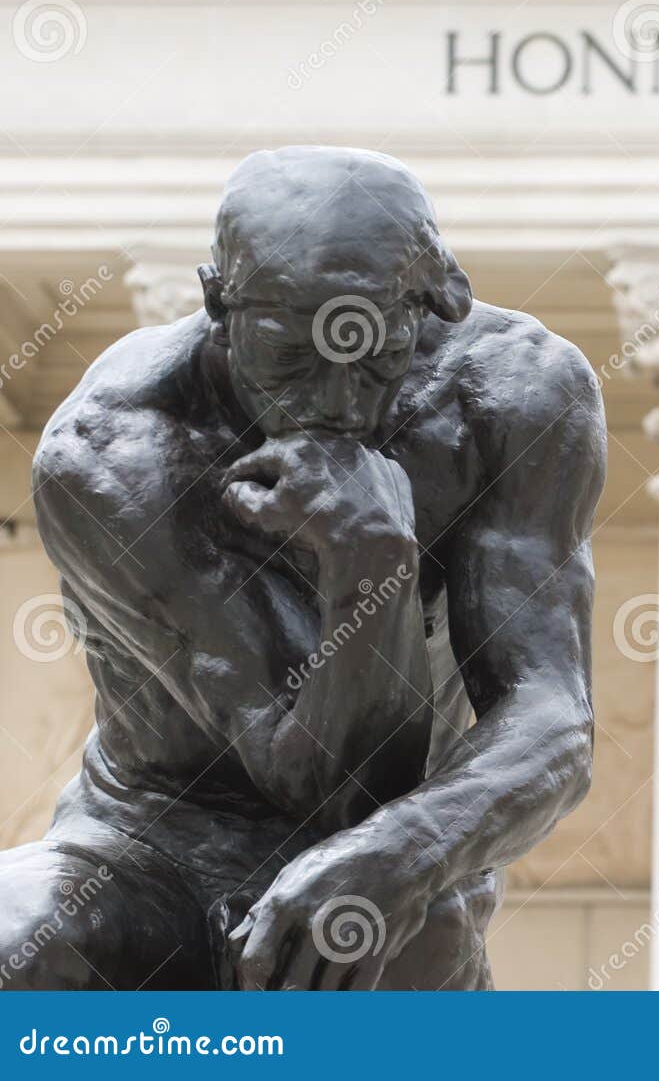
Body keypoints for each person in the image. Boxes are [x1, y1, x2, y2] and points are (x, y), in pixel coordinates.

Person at [0, 146, 605, 989]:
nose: (337, 405)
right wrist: (372, 562)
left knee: (377, 936)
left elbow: (553, 718)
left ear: (438, 302)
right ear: (217, 301)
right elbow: (316, 772)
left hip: (398, 834)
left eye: (374, 354)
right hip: (153, 846)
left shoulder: (511, 394)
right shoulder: (112, 452)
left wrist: (407, 851)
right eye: (288, 357)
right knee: (14, 937)